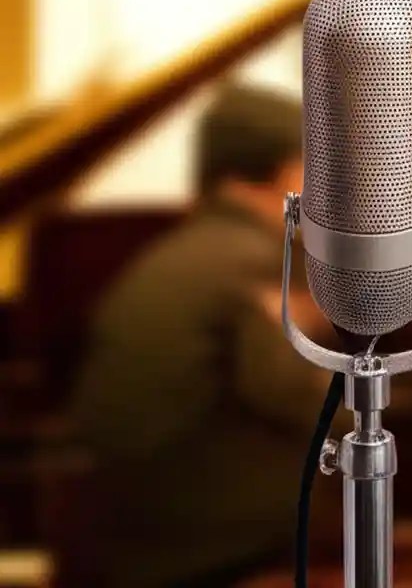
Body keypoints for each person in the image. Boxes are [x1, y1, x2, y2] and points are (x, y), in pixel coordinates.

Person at [70, 84, 340, 588]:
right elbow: (304, 402)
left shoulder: (173, 254)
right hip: (210, 549)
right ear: (286, 170)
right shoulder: (257, 262)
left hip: (133, 527)